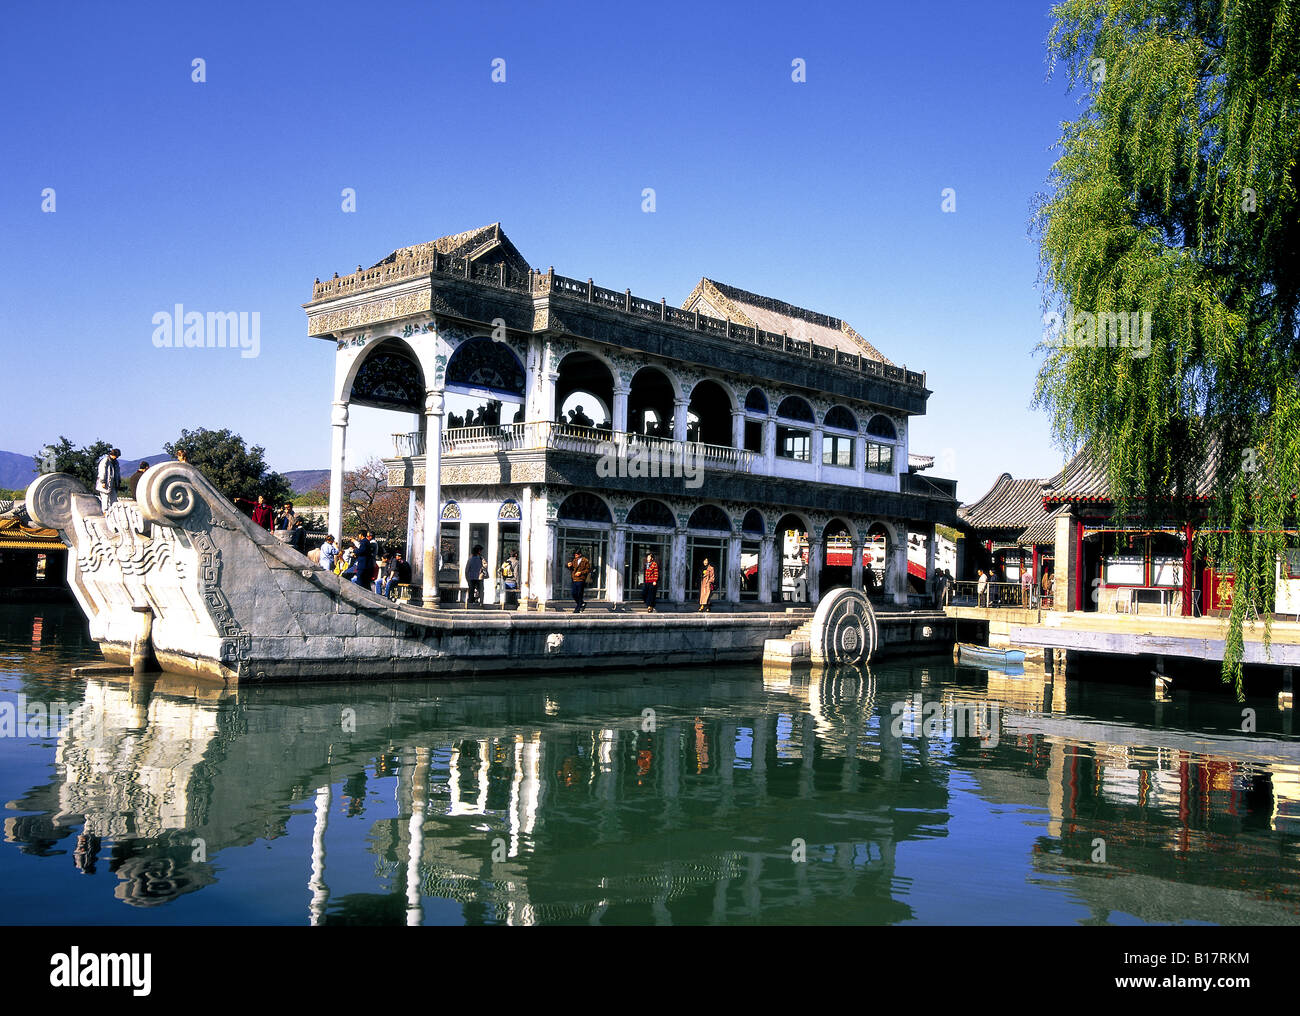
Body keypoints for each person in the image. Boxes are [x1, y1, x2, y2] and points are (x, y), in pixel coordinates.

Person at [95, 448, 122, 512]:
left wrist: (119, 481)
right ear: (113, 454)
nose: (117, 457)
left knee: (114, 500)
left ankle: (113, 513)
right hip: (105, 484)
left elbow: (118, 472)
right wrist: (103, 481)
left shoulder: (116, 462)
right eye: (116, 456)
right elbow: (102, 472)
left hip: (113, 484)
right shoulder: (105, 461)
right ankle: (105, 513)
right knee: (105, 500)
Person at [566, 548, 591, 612]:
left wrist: (581, 572)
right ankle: (582, 603)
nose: (575, 556)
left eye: (576, 555)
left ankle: (577, 609)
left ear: (580, 554)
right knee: (574, 593)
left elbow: (588, 570)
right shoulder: (574, 561)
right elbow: (572, 569)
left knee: (579, 593)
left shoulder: (585, 561)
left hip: (581, 579)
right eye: (575, 555)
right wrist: (569, 566)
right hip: (574, 579)